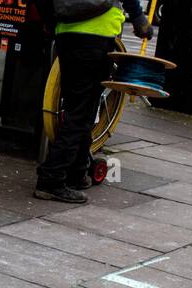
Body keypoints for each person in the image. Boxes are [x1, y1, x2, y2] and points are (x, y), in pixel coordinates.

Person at [34, 1, 153, 204]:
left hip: (67, 35)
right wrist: (139, 19)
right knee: (81, 112)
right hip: (97, 37)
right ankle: (51, 179)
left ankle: (77, 171)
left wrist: (50, 22)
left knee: (78, 106)